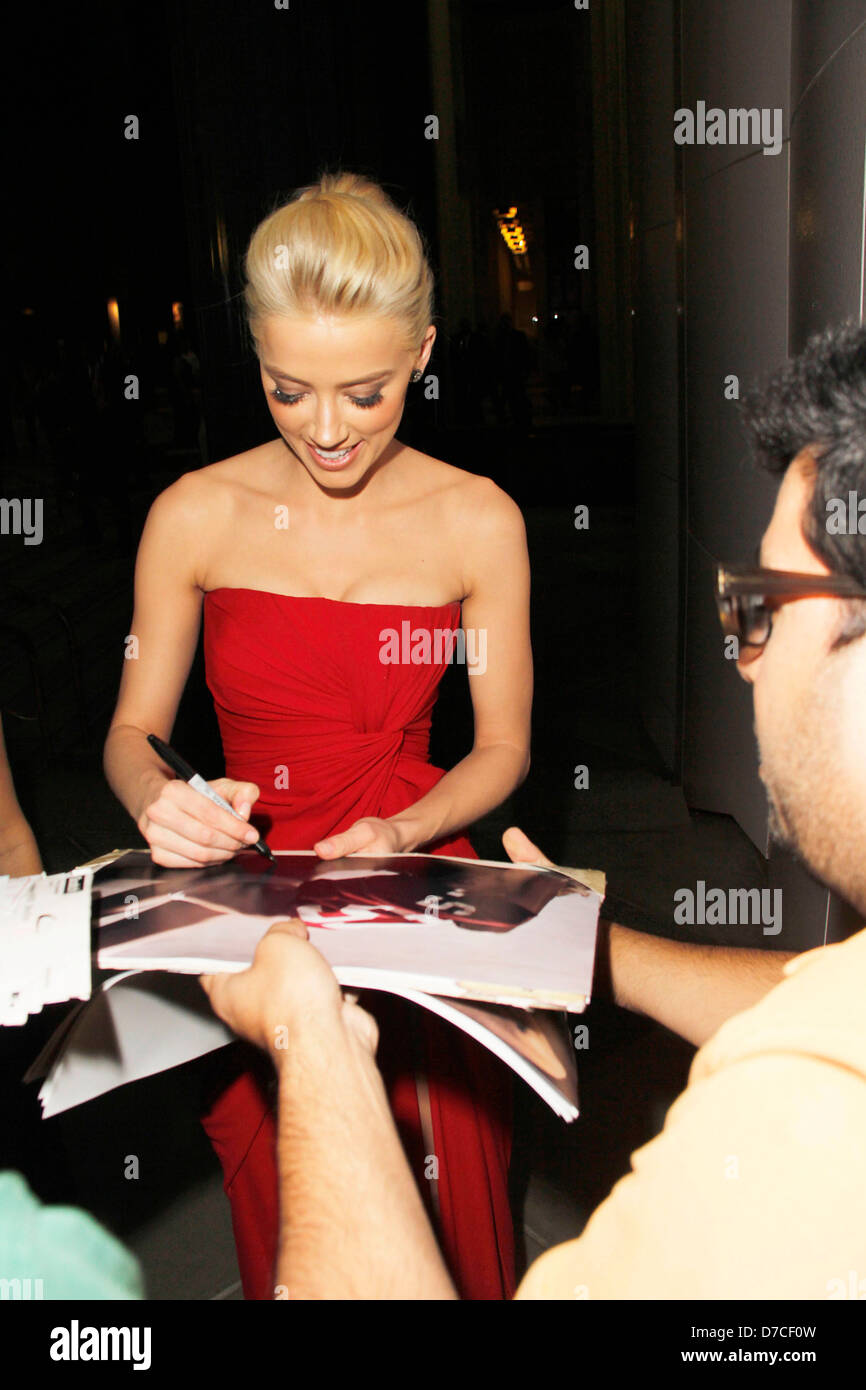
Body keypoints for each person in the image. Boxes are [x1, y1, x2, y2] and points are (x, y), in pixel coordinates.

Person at [200, 319, 866, 1298]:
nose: (746, 655)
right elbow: (833, 998)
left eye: (761, 606)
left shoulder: (782, 1142)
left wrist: (310, 1039)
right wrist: (584, 946)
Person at [103, 172, 533, 1300]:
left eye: (367, 391)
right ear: (252, 356)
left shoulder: (478, 518)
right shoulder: (191, 512)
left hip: (418, 891)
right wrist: (159, 799)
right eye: (288, 390)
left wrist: (406, 822)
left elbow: (500, 749)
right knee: (298, 1220)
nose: (326, 430)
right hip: (259, 906)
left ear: (426, 352)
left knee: (445, 1207)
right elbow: (132, 732)